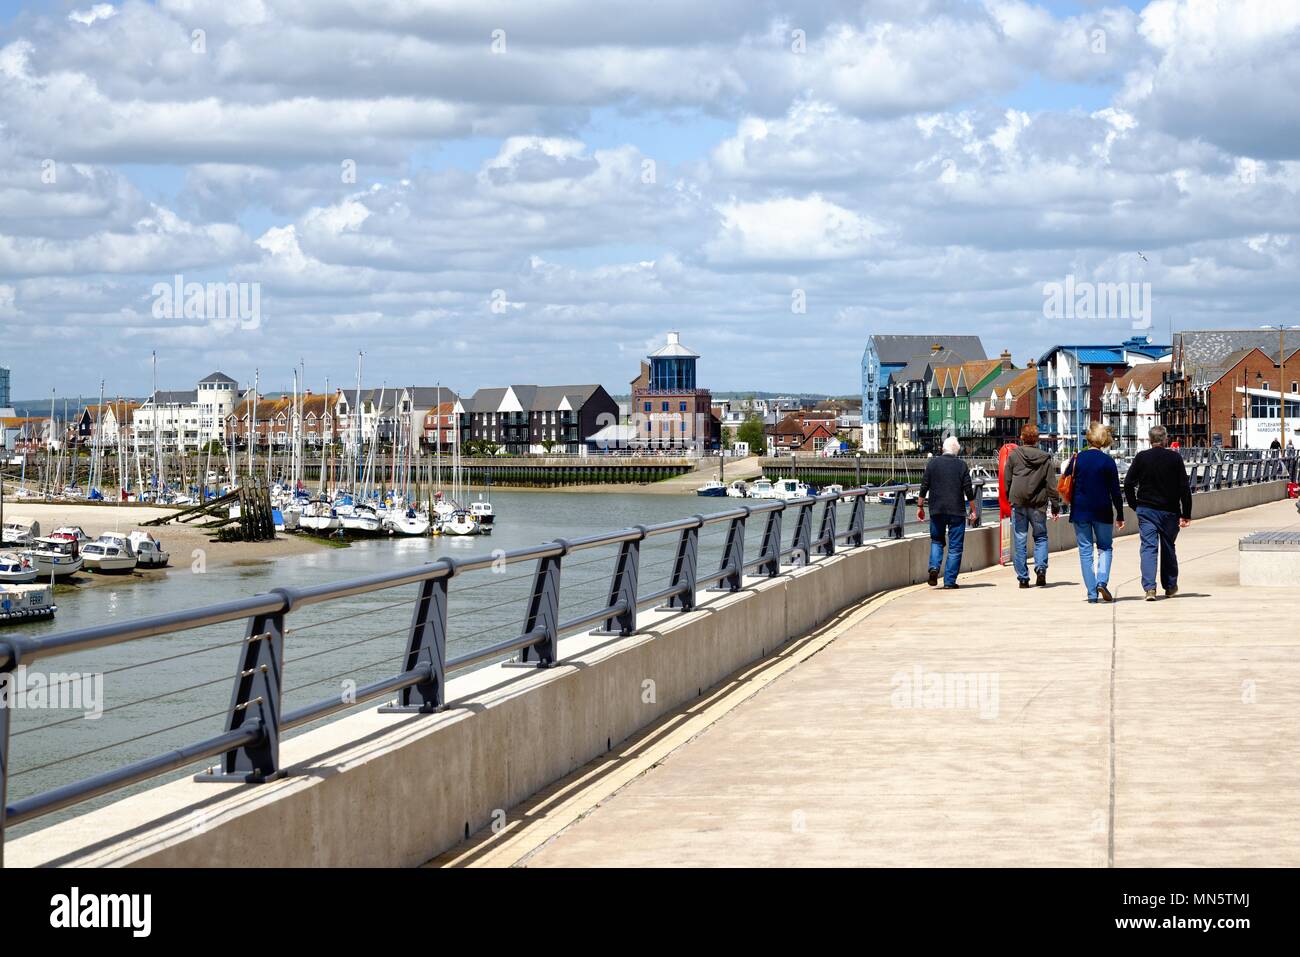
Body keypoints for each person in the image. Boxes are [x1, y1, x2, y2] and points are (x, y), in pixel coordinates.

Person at [1123, 424, 1193, 600]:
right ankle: (1170, 586)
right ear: (1165, 439)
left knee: (1148, 548)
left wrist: (1134, 505)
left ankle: (1149, 589)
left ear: (1150, 439)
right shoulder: (1174, 458)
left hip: (1146, 510)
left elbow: (1128, 483)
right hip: (1170, 511)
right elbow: (1184, 488)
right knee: (1168, 547)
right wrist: (1186, 513)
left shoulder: (1141, 457)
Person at [1062, 422, 1125, 603]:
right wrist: (1120, 515)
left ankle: (1091, 593)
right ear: (1104, 440)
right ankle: (1102, 581)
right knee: (1105, 547)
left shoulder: (1077, 459)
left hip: (1080, 510)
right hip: (1102, 510)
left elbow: (1066, 480)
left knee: (1085, 551)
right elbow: (1115, 492)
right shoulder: (1108, 462)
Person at [1001, 423, 1060, 588]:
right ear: (1037, 439)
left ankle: (1023, 578)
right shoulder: (1045, 458)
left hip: (1018, 502)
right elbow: (1051, 485)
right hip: (1038, 504)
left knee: (1020, 538)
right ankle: (1040, 569)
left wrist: (1009, 497)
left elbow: (1007, 481)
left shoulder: (1013, 456)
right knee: (1040, 537)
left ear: (1021, 437)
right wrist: (1055, 506)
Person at [918, 435, 977, 589]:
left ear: (943, 449)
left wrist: (920, 507)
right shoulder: (961, 465)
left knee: (937, 540)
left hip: (936, 509)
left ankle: (934, 568)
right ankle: (949, 582)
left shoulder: (932, 464)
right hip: (956, 511)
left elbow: (924, 486)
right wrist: (973, 508)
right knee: (955, 547)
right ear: (956, 452)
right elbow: (968, 489)